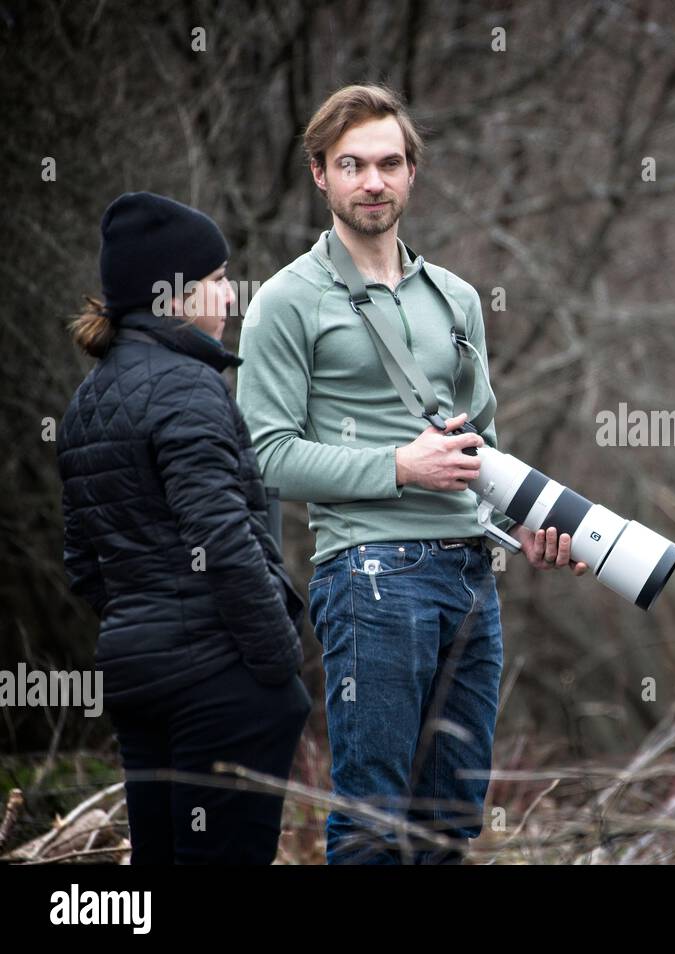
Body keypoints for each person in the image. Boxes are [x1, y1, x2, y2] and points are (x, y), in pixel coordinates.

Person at [236, 84, 584, 865]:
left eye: (389, 163)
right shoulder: (287, 302)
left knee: (450, 823)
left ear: (411, 173)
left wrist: (522, 525)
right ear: (320, 174)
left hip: (470, 576)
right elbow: (264, 454)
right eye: (352, 165)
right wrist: (398, 464)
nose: (373, 182)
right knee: (372, 822)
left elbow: (480, 448)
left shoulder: (456, 298)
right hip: (369, 576)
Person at [57, 192, 312, 864]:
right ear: (172, 296)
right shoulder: (187, 387)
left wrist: (146, 626)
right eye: (219, 280)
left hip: (137, 679)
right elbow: (222, 538)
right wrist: (277, 664)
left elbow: (83, 561)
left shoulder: (86, 403)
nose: (230, 298)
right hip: (221, 681)